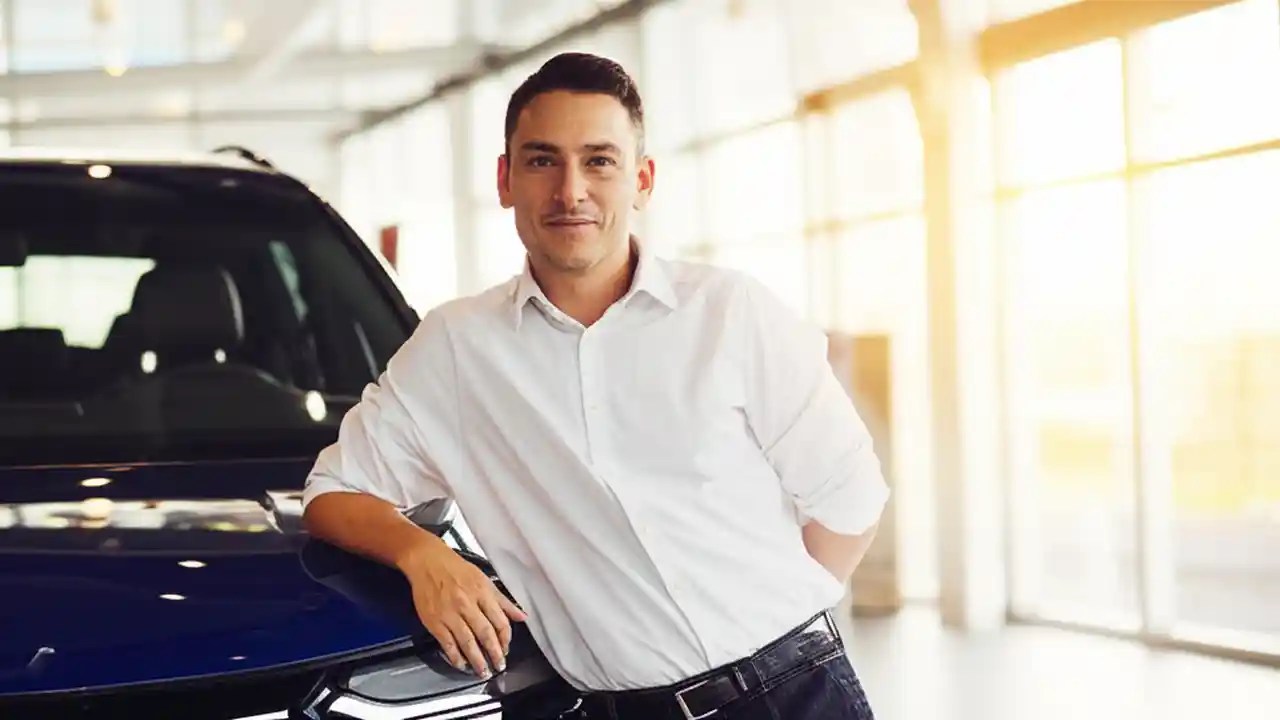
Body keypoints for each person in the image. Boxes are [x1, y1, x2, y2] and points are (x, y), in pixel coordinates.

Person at [302, 52, 888, 719]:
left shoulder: (731, 311)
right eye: (542, 160)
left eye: (599, 161)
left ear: (641, 180)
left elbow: (850, 497)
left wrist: (767, 631)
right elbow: (332, 494)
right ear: (505, 179)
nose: (570, 190)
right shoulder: (456, 351)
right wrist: (420, 553)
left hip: (794, 695)